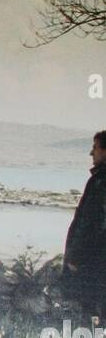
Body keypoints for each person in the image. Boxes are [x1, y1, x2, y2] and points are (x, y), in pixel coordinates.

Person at [63, 131, 106, 319]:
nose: (91, 153)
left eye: (95, 147)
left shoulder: (100, 182)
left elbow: (91, 223)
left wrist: (75, 256)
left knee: (90, 310)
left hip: (92, 260)